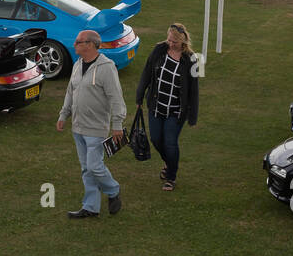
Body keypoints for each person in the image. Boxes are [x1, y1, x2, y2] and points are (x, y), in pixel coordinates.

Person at [56, 29, 126, 219]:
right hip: (78, 126)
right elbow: (71, 91)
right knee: (86, 168)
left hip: (96, 127)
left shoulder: (106, 67)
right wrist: (64, 115)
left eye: (78, 42)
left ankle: (113, 190)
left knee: (95, 166)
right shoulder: (78, 64)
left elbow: (116, 97)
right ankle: (91, 207)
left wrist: (117, 124)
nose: (74, 44)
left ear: (89, 44)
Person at [134, 23, 199, 192]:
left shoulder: (192, 59)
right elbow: (146, 73)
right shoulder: (159, 50)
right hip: (156, 106)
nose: (170, 44)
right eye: (169, 40)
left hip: (176, 111)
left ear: (183, 41)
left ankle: (171, 176)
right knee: (156, 139)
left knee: (170, 143)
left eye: (174, 42)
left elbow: (194, 90)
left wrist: (193, 116)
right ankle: (170, 163)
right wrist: (139, 96)